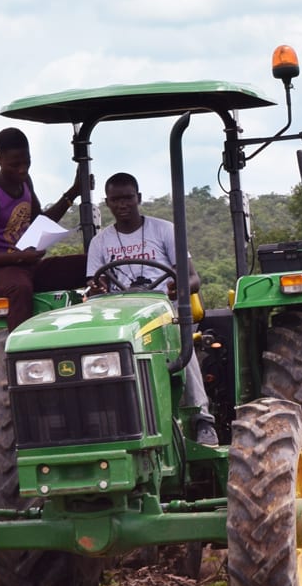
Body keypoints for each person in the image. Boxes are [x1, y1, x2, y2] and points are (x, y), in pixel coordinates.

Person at [86, 172, 218, 447]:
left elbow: (193, 278)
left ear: (139, 199)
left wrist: (180, 287)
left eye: (128, 198)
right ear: (107, 203)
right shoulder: (100, 243)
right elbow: (93, 285)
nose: (123, 204)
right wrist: (96, 290)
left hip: (162, 309)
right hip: (120, 316)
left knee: (184, 345)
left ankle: (202, 418)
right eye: (116, 199)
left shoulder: (164, 230)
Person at [0, 127, 84, 329]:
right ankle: (21, 352)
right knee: (19, 288)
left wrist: (72, 193)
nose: (22, 169)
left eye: (26, 163)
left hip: (26, 266)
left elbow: (40, 222)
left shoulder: (25, 182)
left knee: (87, 264)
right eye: (15, 165)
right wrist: (19, 257)